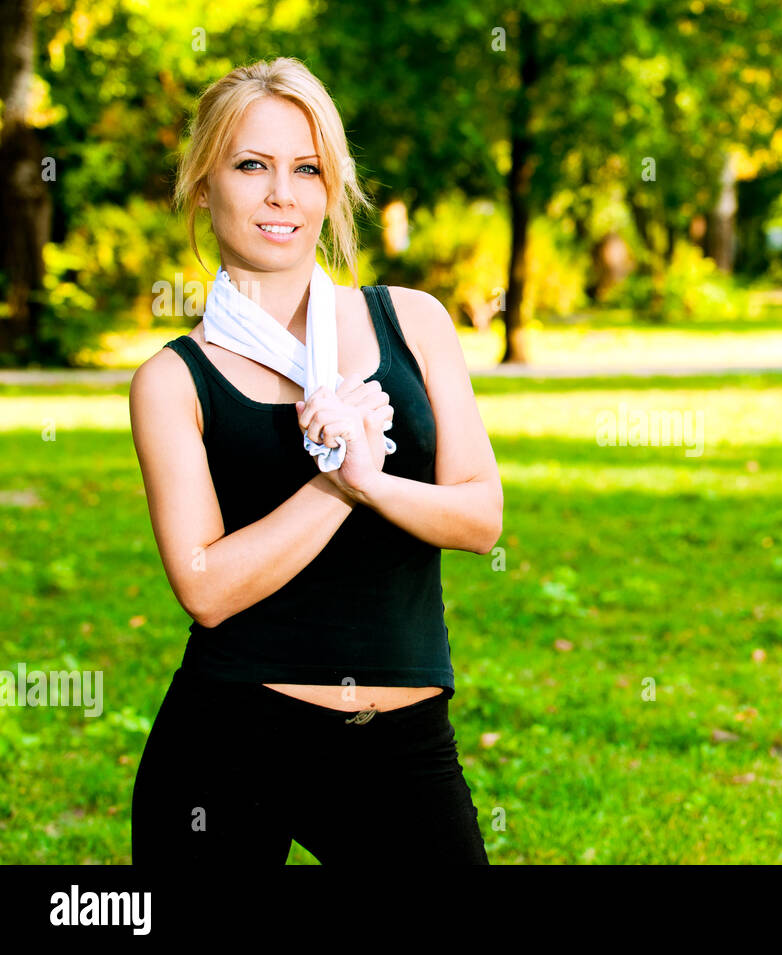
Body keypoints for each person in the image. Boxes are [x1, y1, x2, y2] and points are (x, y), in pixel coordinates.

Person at [128, 57, 503, 863]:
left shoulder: (415, 323)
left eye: (306, 168)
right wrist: (336, 483)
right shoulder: (172, 380)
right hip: (231, 736)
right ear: (203, 185)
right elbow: (205, 588)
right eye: (250, 166)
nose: (282, 194)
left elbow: (480, 518)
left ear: (332, 187)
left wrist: (374, 481)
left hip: (403, 744)